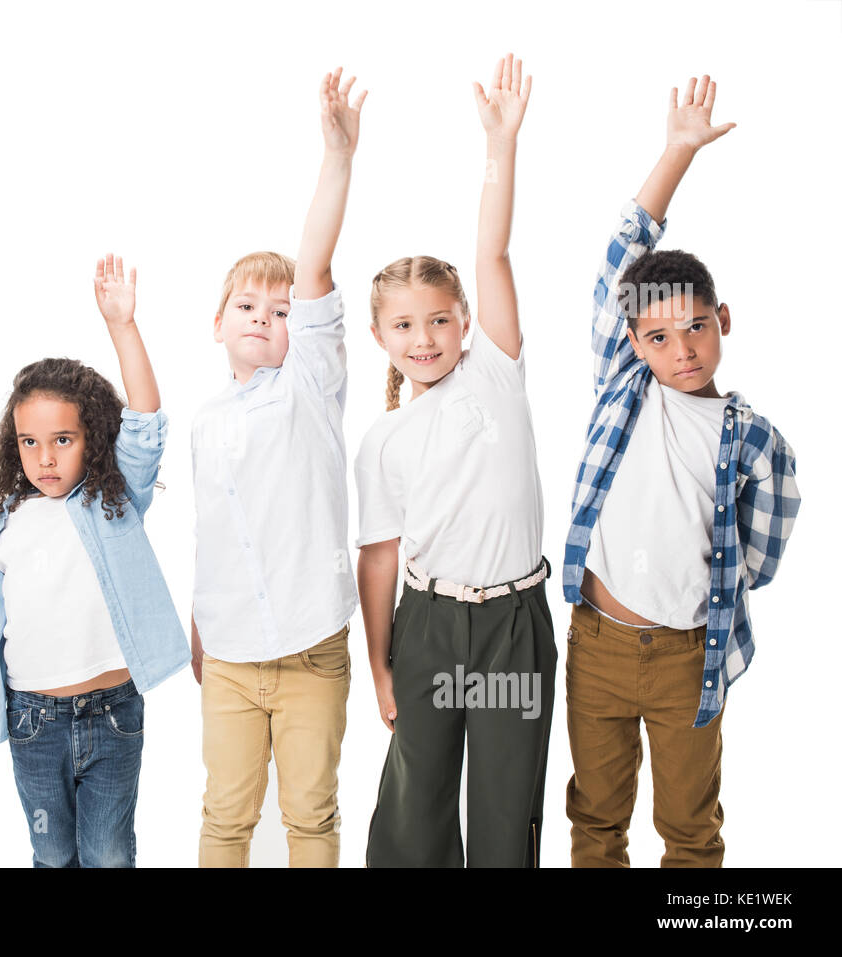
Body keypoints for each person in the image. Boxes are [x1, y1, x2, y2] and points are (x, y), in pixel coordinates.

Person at [563, 75, 800, 867]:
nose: (683, 348)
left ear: (722, 320)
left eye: (697, 327)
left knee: (690, 830)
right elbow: (618, 259)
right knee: (596, 819)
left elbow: (765, 535)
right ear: (633, 342)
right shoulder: (623, 388)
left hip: (685, 657)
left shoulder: (750, 435)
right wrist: (677, 152)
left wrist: (716, 585)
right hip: (597, 643)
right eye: (660, 336)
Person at [356, 54, 554, 867]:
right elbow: (378, 558)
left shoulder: (496, 373)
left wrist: (500, 143)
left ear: (466, 322)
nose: (425, 339)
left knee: (507, 813)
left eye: (439, 320)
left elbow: (493, 253)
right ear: (381, 338)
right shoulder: (385, 440)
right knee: (417, 808)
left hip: (514, 623)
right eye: (404, 326)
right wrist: (380, 665)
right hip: (430, 627)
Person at [0, 254, 189, 867]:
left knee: (109, 855)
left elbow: (146, 422)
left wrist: (123, 325)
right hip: (33, 721)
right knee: (53, 854)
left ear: (92, 435)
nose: (46, 457)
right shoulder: (5, 527)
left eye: (63, 439)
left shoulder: (112, 501)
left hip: (114, 712)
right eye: (30, 443)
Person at [190, 67, 365, 868]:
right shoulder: (207, 421)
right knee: (226, 816)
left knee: (311, 813)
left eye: (282, 310)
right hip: (227, 651)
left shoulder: (310, 385)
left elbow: (316, 266)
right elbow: (217, 530)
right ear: (218, 322)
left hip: (309, 647)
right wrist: (202, 619)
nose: (266, 319)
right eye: (248, 307)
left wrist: (336, 157)